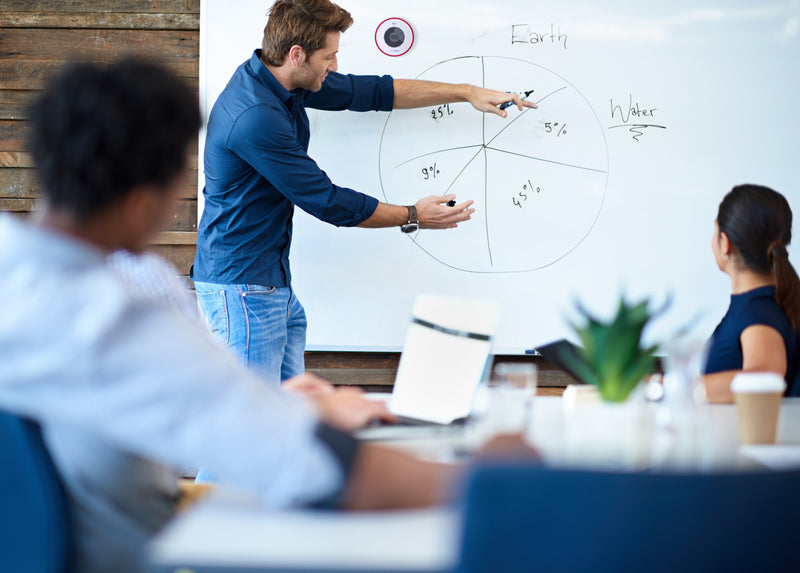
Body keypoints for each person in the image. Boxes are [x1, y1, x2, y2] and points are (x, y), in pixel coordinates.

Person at [0, 58, 462, 573]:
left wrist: (273, 407)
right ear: (141, 202)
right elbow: (313, 470)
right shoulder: (123, 316)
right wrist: (503, 481)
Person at [192, 0, 537, 385]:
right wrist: (413, 215)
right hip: (243, 292)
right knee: (252, 424)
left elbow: (373, 92)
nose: (335, 66)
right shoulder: (255, 115)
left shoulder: (281, 81)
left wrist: (466, 92)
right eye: (330, 56)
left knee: (287, 416)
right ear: (296, 54)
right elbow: (327, 201)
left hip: (270, 285)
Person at [702, 184, 800, 403]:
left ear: (725, 243)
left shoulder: (758, 313)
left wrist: (689, 389)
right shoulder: (764, 305)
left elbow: (766, 378)